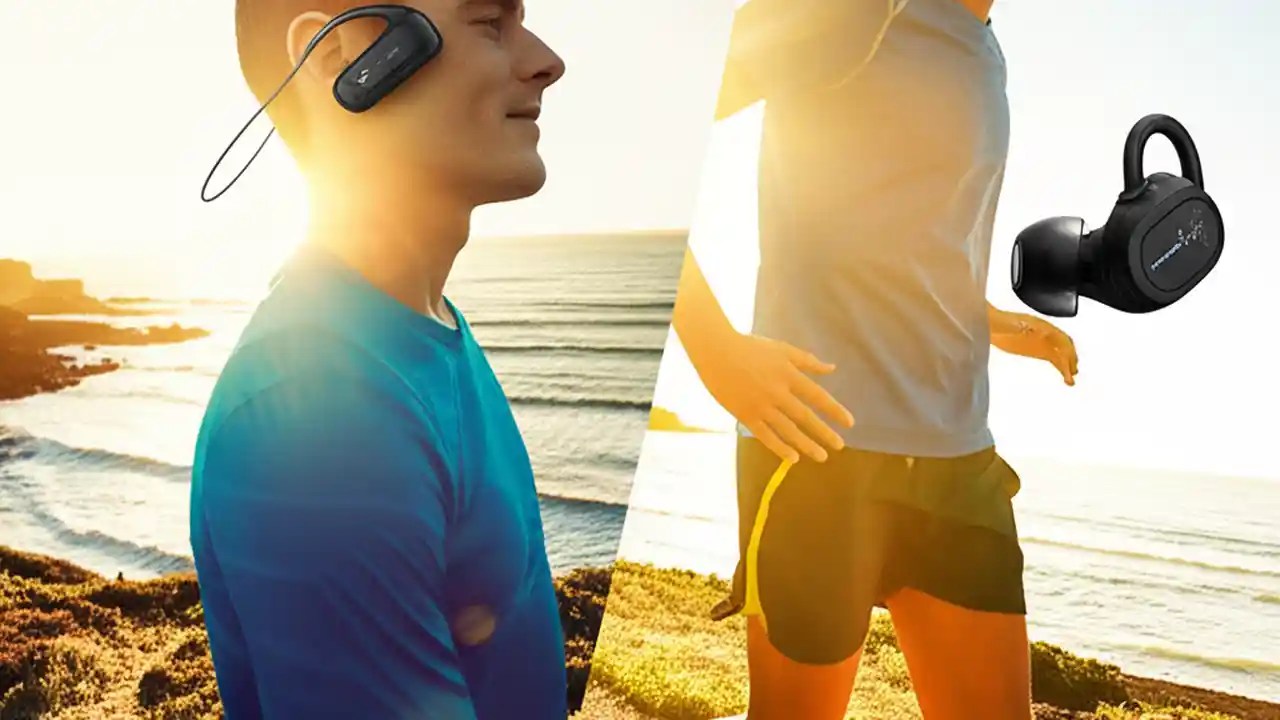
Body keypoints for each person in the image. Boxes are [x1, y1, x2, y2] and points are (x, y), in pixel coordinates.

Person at [672, 0, 1079, 718]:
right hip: (818, 445)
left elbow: (905, 238)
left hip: (959, 463)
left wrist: (993, 322)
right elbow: (643, 120)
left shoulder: (983, 45)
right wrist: (717, 352)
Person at [187, 2, 566, 718]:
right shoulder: (320, 411)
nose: (547, 60)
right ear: (344, 60)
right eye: (491, 21)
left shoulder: (424, 328)